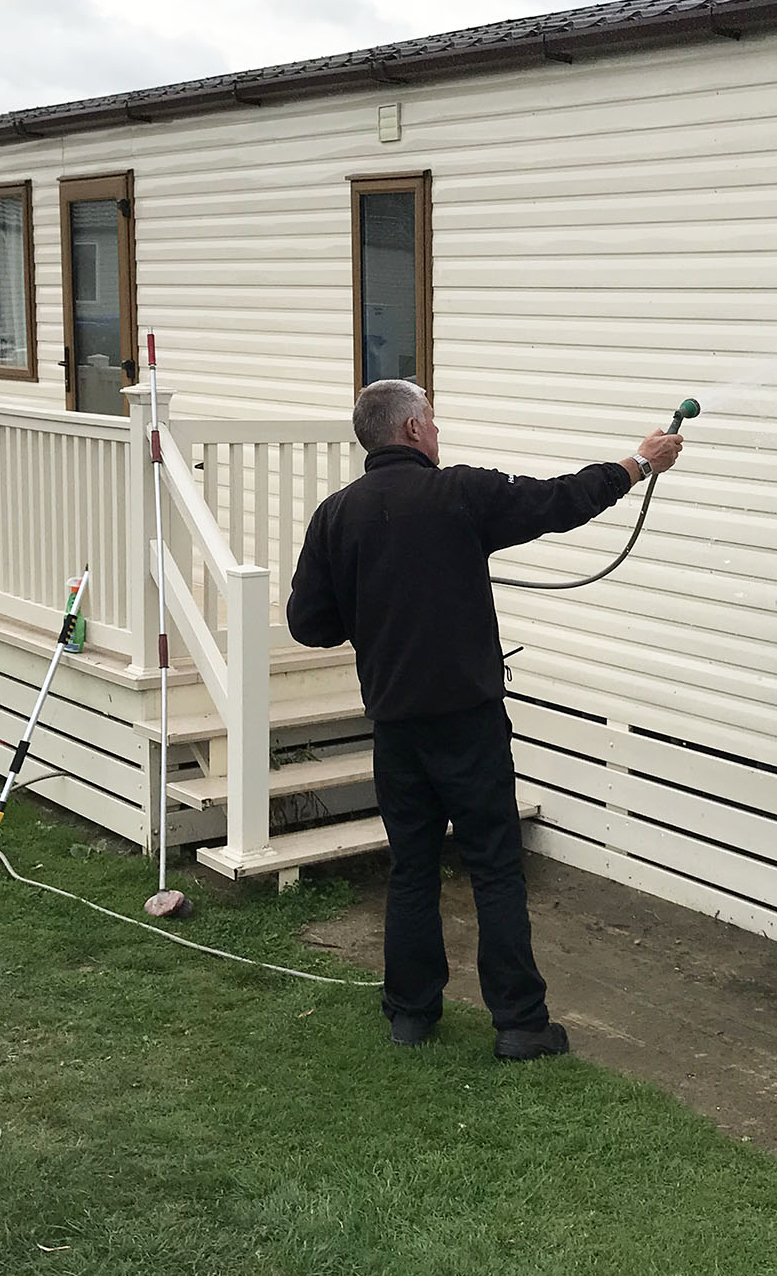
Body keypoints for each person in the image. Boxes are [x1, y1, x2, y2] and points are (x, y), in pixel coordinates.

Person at [286, 379, 684, 1059]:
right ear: (413, 429)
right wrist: (639, 463)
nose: (438, 432)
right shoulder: (460, 493)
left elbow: (309, 624)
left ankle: (411, 1014)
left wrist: (377, 608)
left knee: (412, 867)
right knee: (495, 868)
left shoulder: (336, 515)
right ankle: (520, 1026)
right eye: (432, 420)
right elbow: (559, 501)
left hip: (396, 727)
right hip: (468, 723)